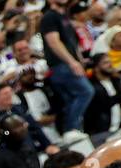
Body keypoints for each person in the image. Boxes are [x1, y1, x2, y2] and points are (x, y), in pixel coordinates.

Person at [41, 0, 95, 144]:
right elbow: (53, 42)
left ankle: (73, 131)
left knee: (71, 99)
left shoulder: (64, 16)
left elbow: (71, 41)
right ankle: (71, 130)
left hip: (68, 63)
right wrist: (72, 61)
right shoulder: (49, 17)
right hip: (60, 65)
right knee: (86, 91)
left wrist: (79, 59)